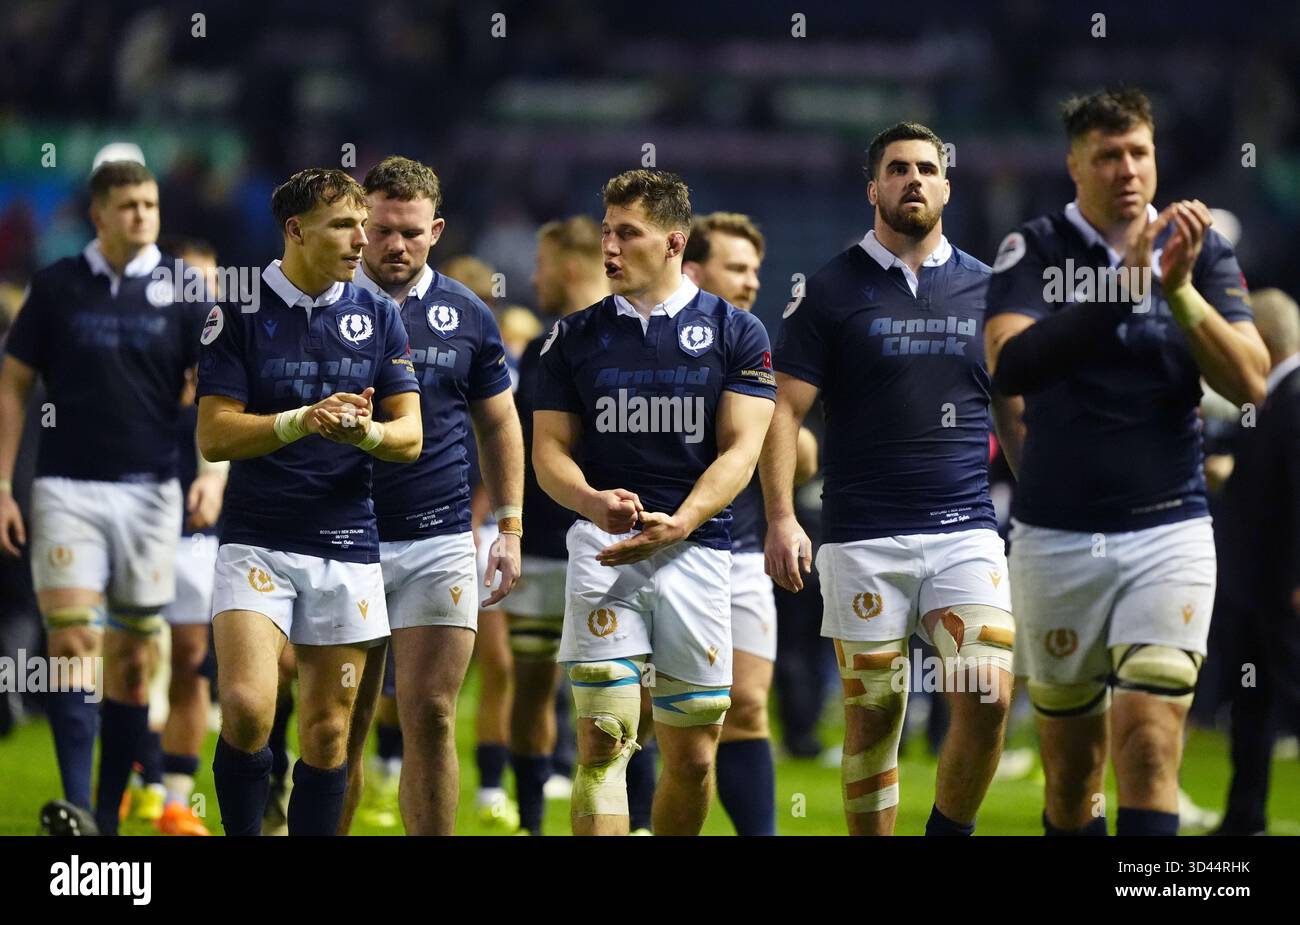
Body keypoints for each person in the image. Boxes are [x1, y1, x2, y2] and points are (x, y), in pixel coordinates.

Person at [984, 87, 1269, 835]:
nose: (1126, 168)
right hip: (1057, 536)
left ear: (1156, 157)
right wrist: (1120, 292)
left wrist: (1178, 294)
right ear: (1075, 164)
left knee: (1147, 741)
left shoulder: (1201, 249)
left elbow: (1250, 378)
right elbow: (1010, 364)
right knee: (1073, 775)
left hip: (1167, 529)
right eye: (1107, 155)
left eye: (1138, 151)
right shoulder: (1036, 248)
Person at [764, 122, 1016, 836]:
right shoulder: (830, 289)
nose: (914, 178)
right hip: (862, 536)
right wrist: (782, 517)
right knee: (876, 716)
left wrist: (1048, 504)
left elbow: (1015, 410)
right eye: (898, 168)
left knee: (989, 693)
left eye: (927, 168)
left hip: (965, 527)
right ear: (873, 187)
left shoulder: (987, 289)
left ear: (946, 185)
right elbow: (784, 410)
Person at [534, 168, 776, 835]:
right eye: (607, 231)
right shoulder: (571, 337)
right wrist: (590, 500)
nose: (609, 247)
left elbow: (740, 450)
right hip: (604, 553)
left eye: (627, 234)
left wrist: (684, 522)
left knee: (694, 758)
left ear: (674, 242)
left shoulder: (738, 332)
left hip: (698, 555)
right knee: (606, 738)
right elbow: (548, 453)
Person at [196, 167, 422, 836]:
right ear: (295, 230)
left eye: (363, 225)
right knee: (244, 706)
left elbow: (409, 436)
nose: (363, 240)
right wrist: (301, 419)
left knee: (327, 733)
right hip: (257, 536)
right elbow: (214, 434)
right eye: (344, 226)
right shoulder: (237, 310)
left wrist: (368, 431)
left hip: (346, 542)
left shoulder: (378, 312)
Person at [0, 159, 208, 836]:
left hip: (151, 490)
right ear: (98, 215)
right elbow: (13, 384)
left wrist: (213, 471)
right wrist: (4, 483)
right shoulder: (58, 286)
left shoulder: (184, 290)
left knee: (130, 658)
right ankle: (80, 807)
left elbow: (214, 388)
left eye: (149, 203)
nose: (143, 215)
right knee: (73, 641)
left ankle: (109, 813)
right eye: (128, 205)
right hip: (66, 487)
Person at [342, 155, 522, 835]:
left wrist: (510, 524)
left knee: (434, 713)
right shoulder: (326, 302)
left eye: (411, 232)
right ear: (362, 222)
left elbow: (500, 420)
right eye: (383, 229)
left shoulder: (467, 314)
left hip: (439, 536)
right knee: (341, 724)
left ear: (436, 229)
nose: (395, 245)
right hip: (342, 536)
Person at [682, 211, 817, 835]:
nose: (751, 281)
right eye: (736, 268)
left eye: (755, 270)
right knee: (654, 717)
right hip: (650, 548)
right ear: (691, 268)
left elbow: (803, 455)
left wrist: (782, 439)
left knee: (746, 707)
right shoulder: (632, 341)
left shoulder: (754, 343)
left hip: (735, 553)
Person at [1211, 288, 1300, 835]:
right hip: (1259, 589)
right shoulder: (1275, 399)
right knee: (1254, 705)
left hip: (1280, 587)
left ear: (1259, 339)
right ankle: (1245, 818)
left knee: (1278, 698)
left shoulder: (1293, 397)